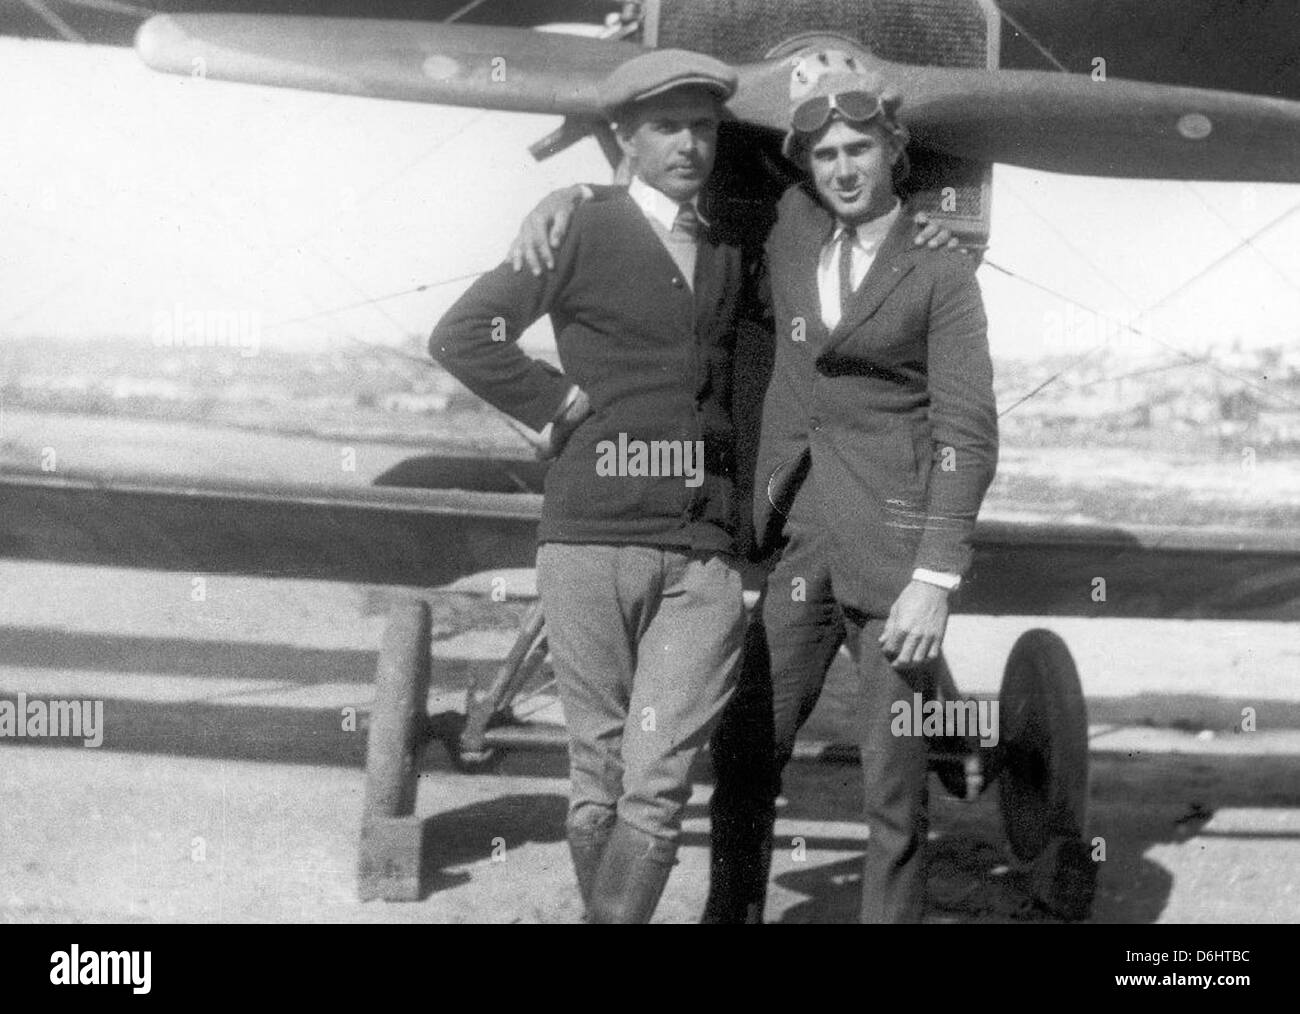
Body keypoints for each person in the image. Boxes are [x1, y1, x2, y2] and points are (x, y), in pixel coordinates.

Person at [506, 49, 997, 924]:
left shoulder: (940, 267)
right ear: (807, 166)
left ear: (895, 152)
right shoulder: (791, 228)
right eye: (825, 155)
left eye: (860, 150)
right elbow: (669, 205)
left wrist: (936, 579)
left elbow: (968, 433)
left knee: (895, 797)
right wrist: (573, 198)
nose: (843, 168)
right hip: (796, 543)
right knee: (744, 762)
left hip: (894, 561)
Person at [429, 49, 749, 924]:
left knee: (659, 783)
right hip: (590, 541)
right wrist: (558, 403)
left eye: (707, 127)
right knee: (598, 777)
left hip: (702, 559)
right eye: (667, 126)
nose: (690, 144)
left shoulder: (728, 251)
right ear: (623, 138)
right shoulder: (576, 227)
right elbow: (465, 334)